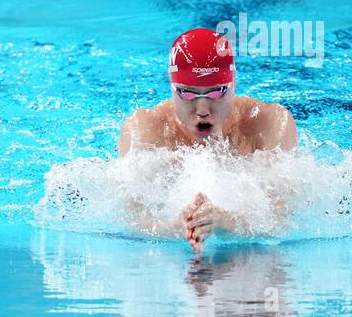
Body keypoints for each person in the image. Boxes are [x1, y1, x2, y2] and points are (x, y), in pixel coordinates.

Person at [116, 28, 296, 252]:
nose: (202, 109)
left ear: (234, 83)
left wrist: (225, 222)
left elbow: (280, 220)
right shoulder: (145, 129)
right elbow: (132, 221)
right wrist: (174, 228)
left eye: (216, 92)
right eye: (187, 93)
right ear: (171, 87)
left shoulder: (268, 123)